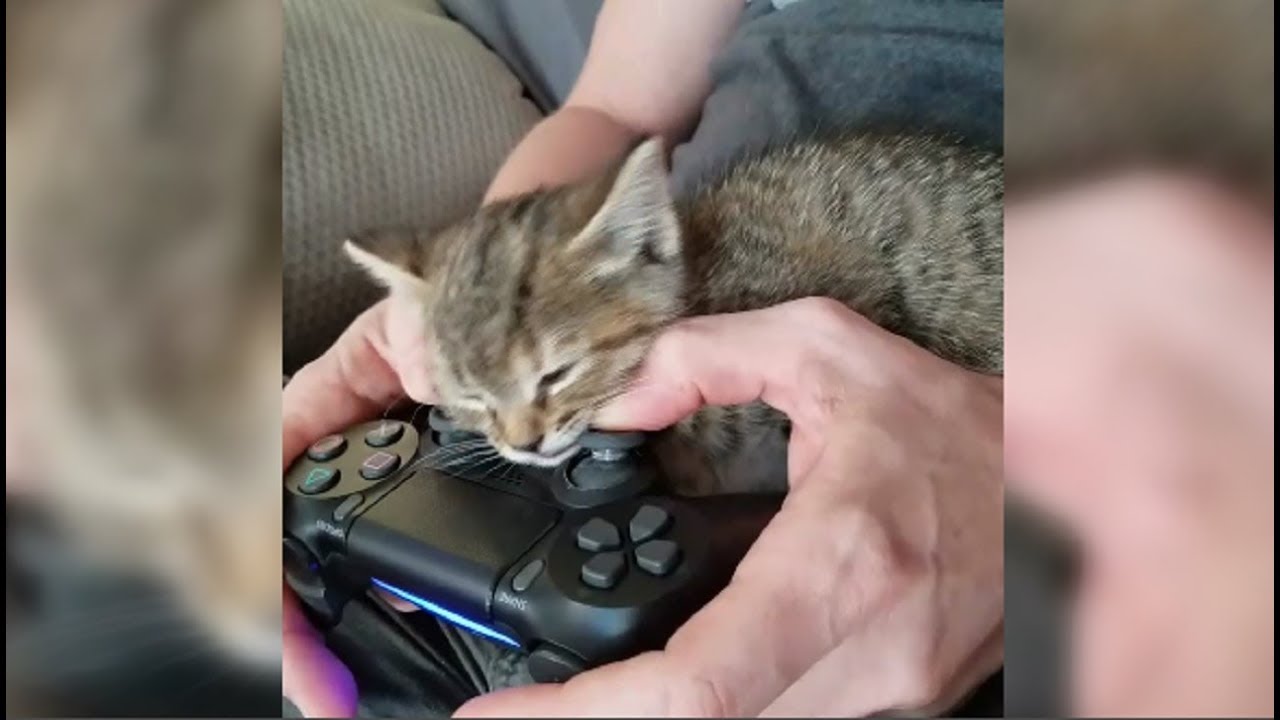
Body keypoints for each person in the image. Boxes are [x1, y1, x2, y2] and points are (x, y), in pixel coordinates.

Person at [281, 0, 1006, 716]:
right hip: (626, 266)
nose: (519, 437)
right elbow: (612, 111)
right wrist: (472, 323)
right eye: (494, 409)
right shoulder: (594, 314)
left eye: (550, 381)